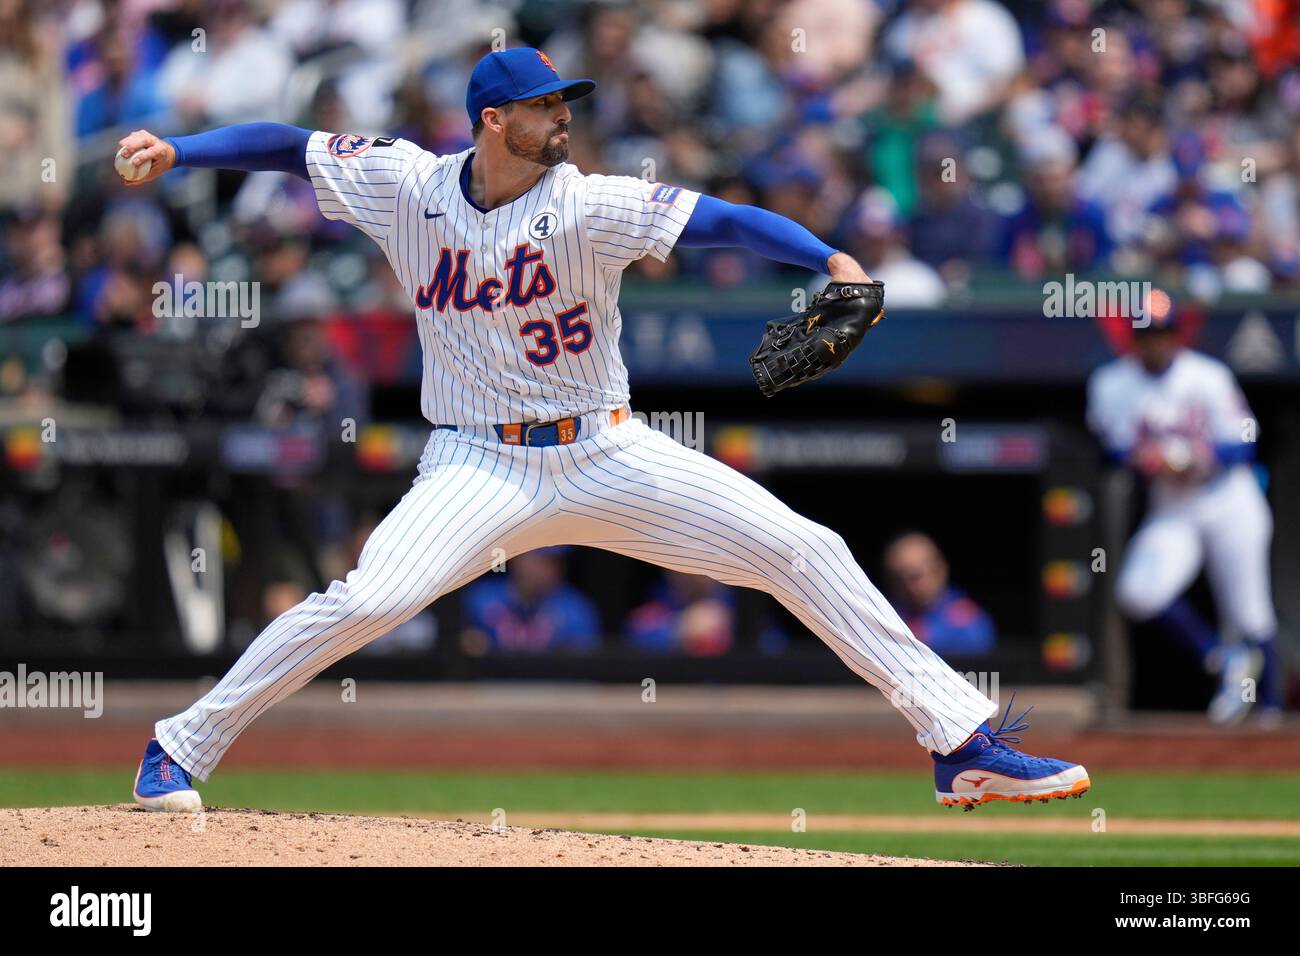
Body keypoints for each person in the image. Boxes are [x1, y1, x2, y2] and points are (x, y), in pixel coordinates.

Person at [123, 47, 1088, 813]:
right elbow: (286, 143)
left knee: (807, 547)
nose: (564, 117)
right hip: (475, 461)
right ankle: (179, 745)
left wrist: (828, 254)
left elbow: (722, 220)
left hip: (605, 448)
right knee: (369, 599)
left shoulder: (587, 201)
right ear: (493, 121)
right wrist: (182, 148)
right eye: (545, 106)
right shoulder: (406, 184)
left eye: (566, 102)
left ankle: (960, 743)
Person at [1086, 290, 1283, 725]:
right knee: (1137, 593)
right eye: (1145, 334)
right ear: (1132, 337)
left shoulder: (1208, 376)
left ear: (1176, 335)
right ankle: (1222, 658)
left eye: (1162, 332)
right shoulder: (1110, 383)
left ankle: (1271, 710)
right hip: (1173, 507)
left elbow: (1247, 439)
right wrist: (1140, 458)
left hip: (1229, 500)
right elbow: (1108, 450)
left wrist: (1199, 457)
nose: (1154, 342)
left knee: (1250, 611)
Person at [461, 547, 600, 654]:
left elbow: (584, 662)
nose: (551, 569)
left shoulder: (576, 608)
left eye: (557, 561)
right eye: (543, 560)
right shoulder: (482, 596)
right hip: (490, 686)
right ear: (517, 557)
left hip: (551, 687)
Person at [884, 532, 996, 659]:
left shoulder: (964, 613)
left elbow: (979, 641)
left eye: (915, 576)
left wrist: (921, 637)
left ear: (939, 569)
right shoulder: (889, 613)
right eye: (897, 578)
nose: (908, 586)